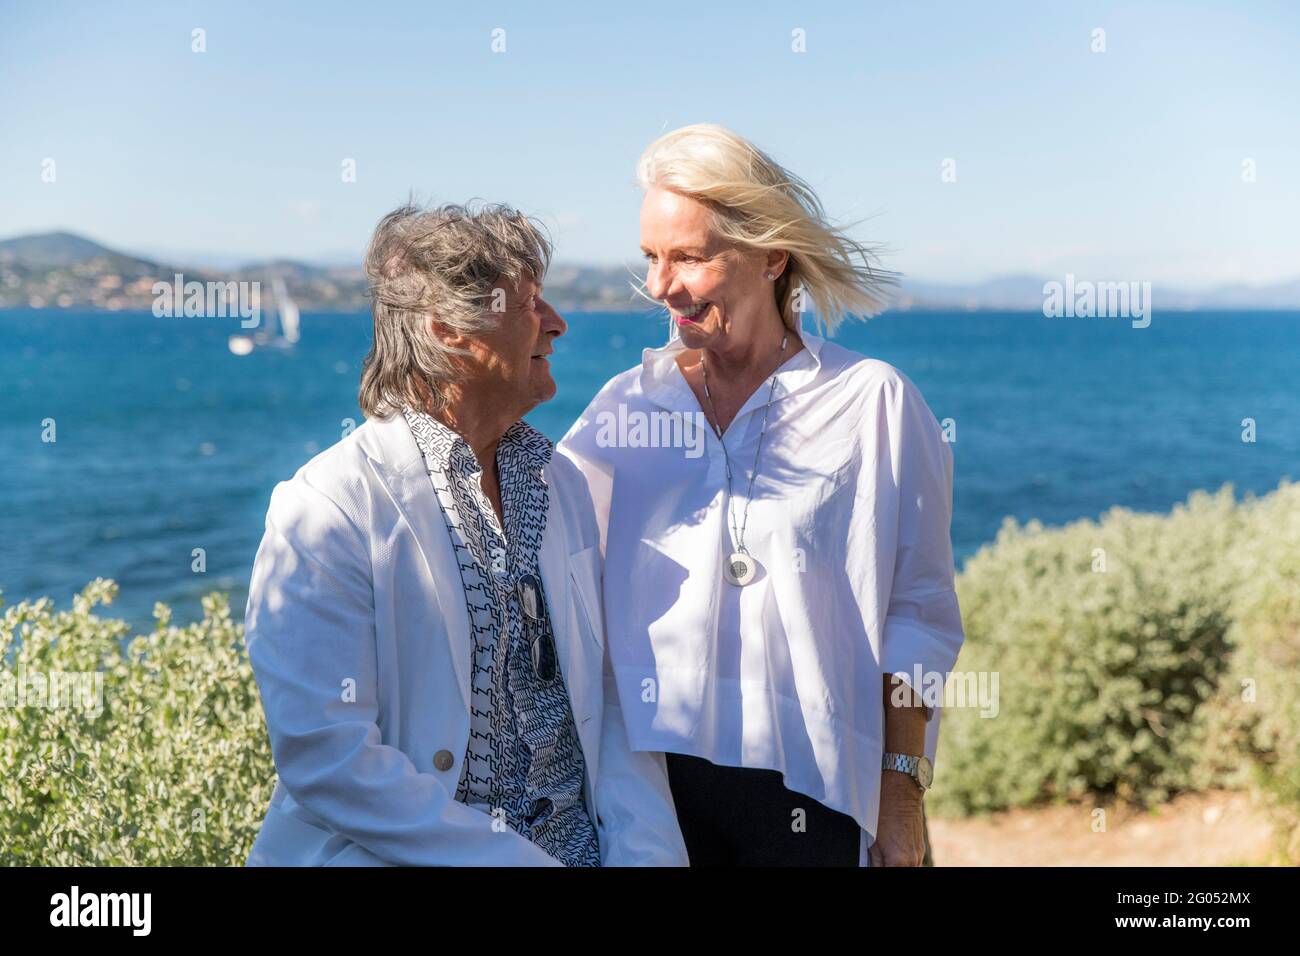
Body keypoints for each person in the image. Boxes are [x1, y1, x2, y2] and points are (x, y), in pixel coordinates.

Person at [558, 125, 965, 866]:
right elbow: (545, 555)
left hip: (815, 798)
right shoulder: (626, 407)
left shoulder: (873, 402)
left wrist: (902, 798)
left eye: (688, 256)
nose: (659, 286)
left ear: (771, 256)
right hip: (644, 800)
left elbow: (919, 619)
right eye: (651, 257)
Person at [243, 202, 688, 866]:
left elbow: (610, 702)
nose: (558, 323)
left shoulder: (558, 483)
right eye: (531, 304)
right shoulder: (327, 507)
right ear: (450, 330)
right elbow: (328, 759)